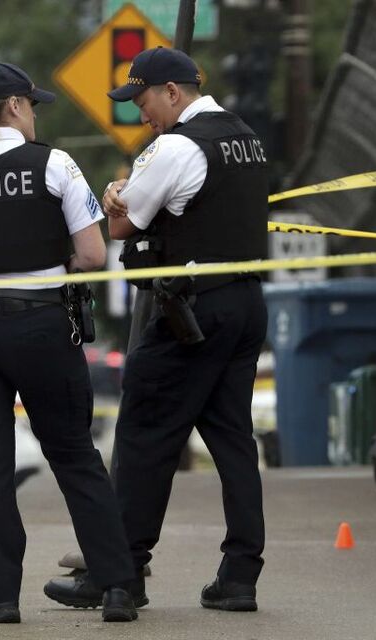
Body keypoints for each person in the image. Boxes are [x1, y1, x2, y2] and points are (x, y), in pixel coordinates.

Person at [0, 61, 138, 624]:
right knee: (74, 455)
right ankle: (116, 587)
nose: (35, 115)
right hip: (42, 328)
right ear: (14, 107)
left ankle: (0, 598)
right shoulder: (54, 163)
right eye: (32, 104)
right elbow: (93, 255)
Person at [43, 47, 269, 612]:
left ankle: (121, 573)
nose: (141, 116)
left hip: (191, 311)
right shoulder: (245, 136)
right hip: (245, 303)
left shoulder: (176, 146)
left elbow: (121, 226)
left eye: (143, 101)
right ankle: (240, 575)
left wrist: (115, 194)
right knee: (234, 441)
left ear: (172, 92)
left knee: (144, 433)